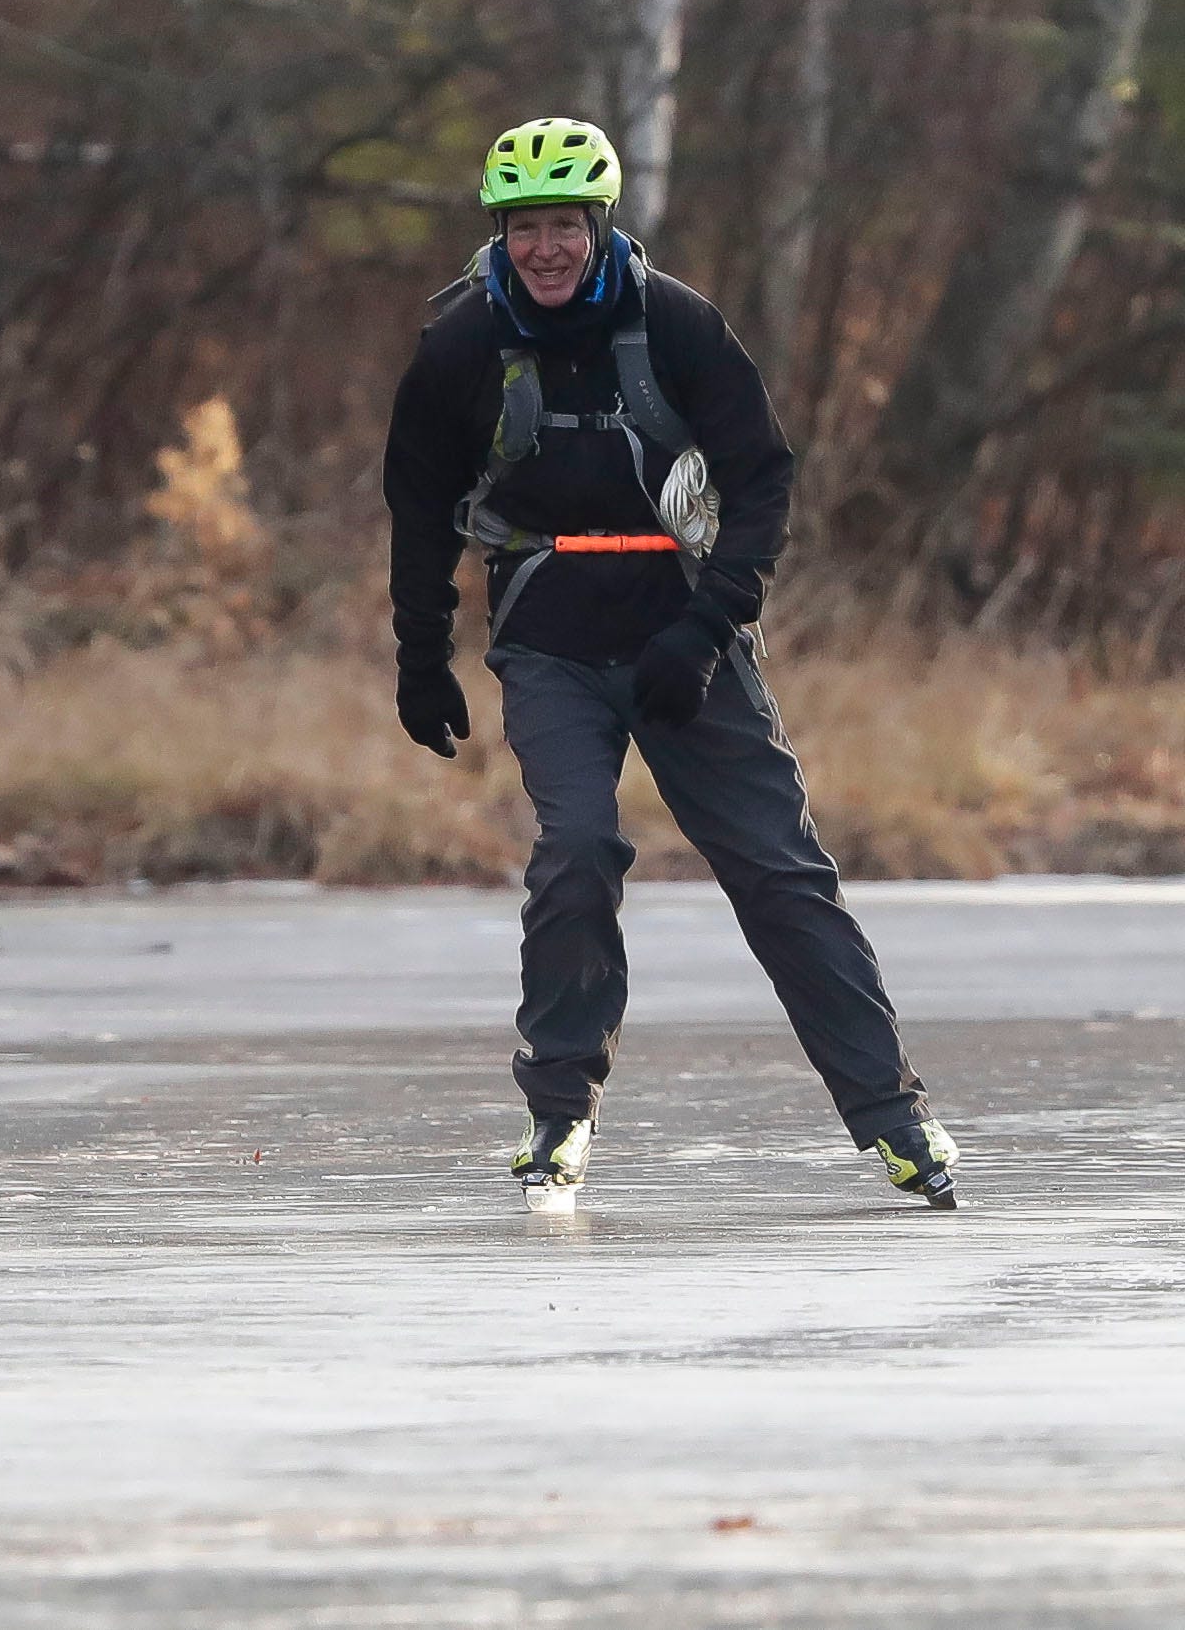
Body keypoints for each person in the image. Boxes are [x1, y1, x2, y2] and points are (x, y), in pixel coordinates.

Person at [383, 117, 960, 1215]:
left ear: (600, 224)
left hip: (685, 634)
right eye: (523, 228)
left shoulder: (677, 323)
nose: (545, 249)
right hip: (549, 636)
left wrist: (704, 632)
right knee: (577, 851)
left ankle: (894, 1119)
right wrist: (422, 655)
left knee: (780, 876)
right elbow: (417, 508)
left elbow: (761, 480)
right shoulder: (460, 344)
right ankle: (558, 1115)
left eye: (564, 225)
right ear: (498, 233)